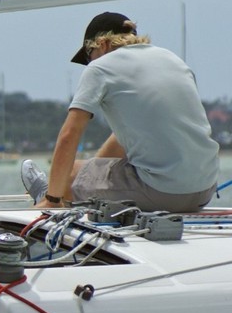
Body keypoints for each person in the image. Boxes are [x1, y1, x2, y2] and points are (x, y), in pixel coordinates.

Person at [21, 12, 219, 213]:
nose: (90, 63)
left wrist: (53, 199)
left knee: (71, 174)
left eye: (89, 55)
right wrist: (93, 174)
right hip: (204, 190)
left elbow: (69, 135)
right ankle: (80, 197)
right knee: (85, 174)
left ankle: (48, 197)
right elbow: (132, 133)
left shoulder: (100, 68)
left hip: (160, 192)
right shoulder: (173, 60)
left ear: (102, 44)